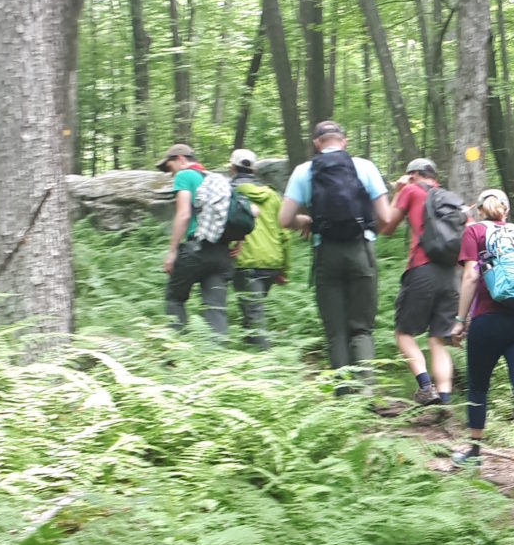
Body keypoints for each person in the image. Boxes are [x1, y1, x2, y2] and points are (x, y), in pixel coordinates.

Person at [278, 120, 394, 384]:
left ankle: (343, 398)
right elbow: (386, 217)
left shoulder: (303, 171)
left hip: (326, 253)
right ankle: (365, 393)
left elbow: (284, 220)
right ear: (344, 141)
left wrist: (305, 221)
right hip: (361, 251)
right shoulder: (364, 167)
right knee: (361, 328)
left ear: (317, 144)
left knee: (336, 331)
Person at [450, 188, 514, 481]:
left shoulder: (475, 231)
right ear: (507, 209)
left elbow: (470, 276)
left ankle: (475, 453)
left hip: (488, 320)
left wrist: (459, 320)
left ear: (480, 209)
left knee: (478, 388)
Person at [389, 156, 461, 411]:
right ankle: (444, 402)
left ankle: (425, 386)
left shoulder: (410, 190)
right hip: (452, 275)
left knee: (403, 334)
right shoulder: (450, 198)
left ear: (412, 174)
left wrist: (398, 192)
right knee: (437, 340)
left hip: (422, 270)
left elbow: (387, 224)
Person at [159, 141, 234, 339]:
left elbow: (183, 214)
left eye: (170, 168)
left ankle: (177, 352)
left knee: (174, 298)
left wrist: (172, 251)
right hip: (222, 253)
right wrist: (239, 244)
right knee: (215, 308)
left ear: (180, 159)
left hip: (197, 249)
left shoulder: (184, 175)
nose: (171, 174)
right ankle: (217, 359)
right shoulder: (217, 180)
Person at [227, 147, 291, 350]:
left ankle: (266, 363)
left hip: (245, 262)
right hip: (271, 262)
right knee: (251, 313)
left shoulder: (230, 193)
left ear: (232, 168)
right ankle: (251, 361)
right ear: (254, 170)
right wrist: (284, 269)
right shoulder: (272, 196)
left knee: (254, 315)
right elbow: (285, 235)